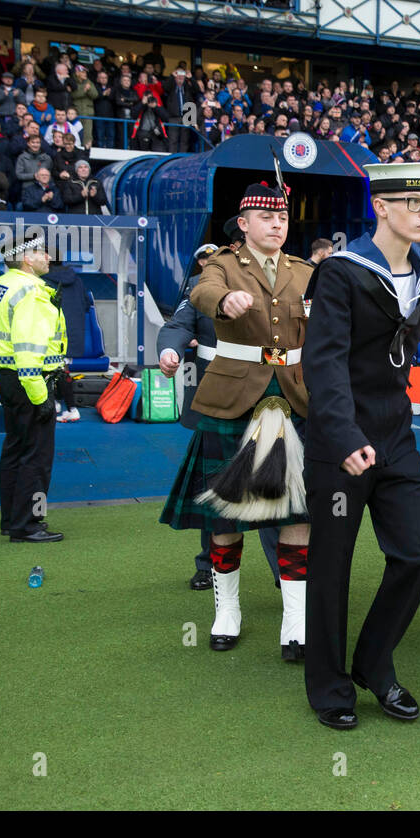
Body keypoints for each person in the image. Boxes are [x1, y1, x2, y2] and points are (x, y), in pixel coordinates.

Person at [301, 161, 420, 730]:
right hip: (340, 440)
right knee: (332, 568)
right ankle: (328, 686)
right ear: (382, 207)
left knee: (417, 555)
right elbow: (322, 364)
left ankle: (373, 661)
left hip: (397, 435)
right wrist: (344, 437)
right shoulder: (342, 272)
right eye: (413, 204)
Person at [159, 183, 315, 659]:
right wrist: (223, 302)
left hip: (297, 396)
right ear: (243, 224)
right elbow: (205, 293)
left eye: (283, 219)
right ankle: (226, 610)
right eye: (266, 218)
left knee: (297, 511)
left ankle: (296, 620)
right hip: (232, 397)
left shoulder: (306, 271)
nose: (277, 225)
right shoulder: (221, 265)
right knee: (226, 511)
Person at [0, 237, 66, 543]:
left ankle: (11, 519)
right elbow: (28, 349)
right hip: (32, 381)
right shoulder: (31, 292)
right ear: (26, 260)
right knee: (37, 456)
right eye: (41, 252)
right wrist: (40, 396)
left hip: (7, 378)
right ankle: (28, 523)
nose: (47, 257)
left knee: (15, 449)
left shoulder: (1, 285)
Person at [158, 245, 222, 591]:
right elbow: (177, 326)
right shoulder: (199, 286)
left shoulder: (281, 279)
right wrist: (170, 350)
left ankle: (285, 572)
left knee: (274, 484)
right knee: (212, 486)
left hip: (270, 398)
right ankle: (208, 563)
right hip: (213, 399)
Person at [41, 256, 92, 423]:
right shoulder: (76, 280)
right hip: (72, 333)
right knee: (62, 368)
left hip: (52, 332)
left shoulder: (42, 280)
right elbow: (86, 305)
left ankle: (71, 409)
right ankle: (57, 404)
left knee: (56, 371)